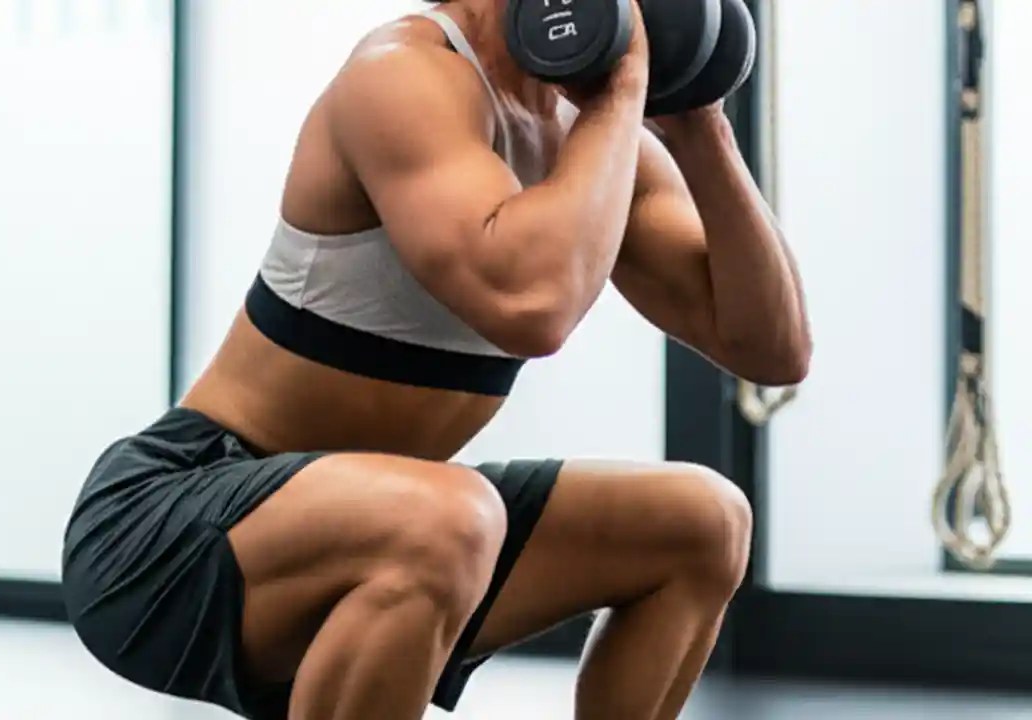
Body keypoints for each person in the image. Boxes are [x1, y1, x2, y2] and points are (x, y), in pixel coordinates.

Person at [61, 0, 811, 718]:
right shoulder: (404, 76)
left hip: (399, 523)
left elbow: (771, 348)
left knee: (704, 522)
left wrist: (699, 123)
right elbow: (532, 306)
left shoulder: (594, 137)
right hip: (171, 529)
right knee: (450, 519)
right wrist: (621, 94)